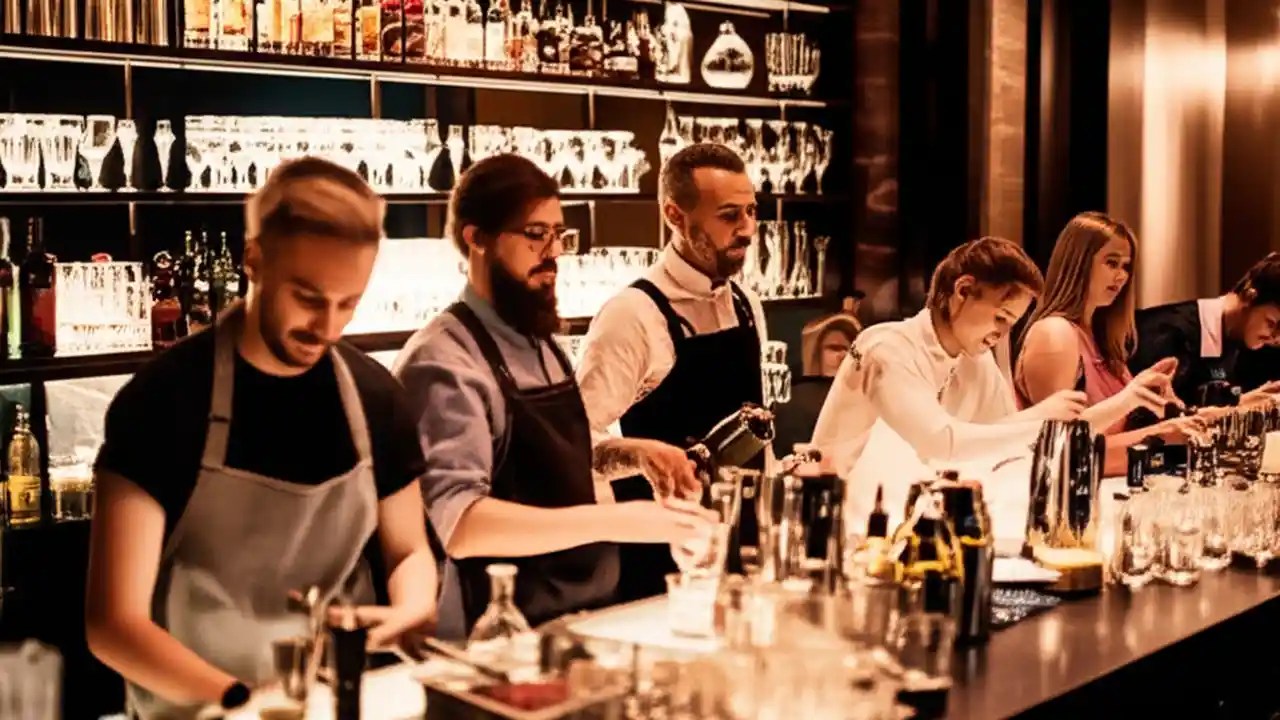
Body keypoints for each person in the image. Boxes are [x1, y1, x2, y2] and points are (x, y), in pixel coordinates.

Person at [86, 158, 438, 718]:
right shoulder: (163, 400)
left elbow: (409, 550)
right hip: (200, 710)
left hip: (330, 703)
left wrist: (412, 605)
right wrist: (244, 701)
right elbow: (112, 623)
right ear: (253, 260)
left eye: (348, 303)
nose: (328, 327)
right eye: (308, 298)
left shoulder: (374, 397)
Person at [393, 154, 713, 640]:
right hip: (492, 635)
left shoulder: (539, 342)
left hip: (574, 623)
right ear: (476, 238)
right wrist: (618, 521)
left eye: (559, 234)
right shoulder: (444, 361)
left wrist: (632, 455)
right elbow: (460, 525)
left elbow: (551, 465)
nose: (554, 252)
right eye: (535, 234)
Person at [810, 235, 1176, 537]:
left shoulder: (974, 358)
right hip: (838, 530)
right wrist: (1042, 419)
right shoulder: (886, 347)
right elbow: (941, 442)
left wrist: (1125, 400)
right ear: (963, 290)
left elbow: (1005, 446)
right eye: (1000, 317)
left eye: (1011, 324)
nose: (1002, 334)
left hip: (914, 531)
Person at [577, 143, 771, 602]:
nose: (747, 230)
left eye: (751, 212)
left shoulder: (746, 304)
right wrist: (637, 455)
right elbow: (575, 444)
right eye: (729, 216)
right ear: (674, 215)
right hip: (661, 563)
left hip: (743, 548)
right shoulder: (633, 315)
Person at [1015, 212, 1205, 475]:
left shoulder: (1101, 339)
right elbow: (1056, 446)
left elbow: (1116, 430)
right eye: (1112, 263)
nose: (1122, 276)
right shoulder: (1055, 332)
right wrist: (1158, 434)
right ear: (1078, 263)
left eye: (1126, 267)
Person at [1131, 251, 1280, 409]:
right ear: (1249, 295)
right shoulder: (1171, 333)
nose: (1276, 338)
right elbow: (1148, 413)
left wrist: (1244, 402)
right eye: (1271, 323)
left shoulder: (1236, 337)